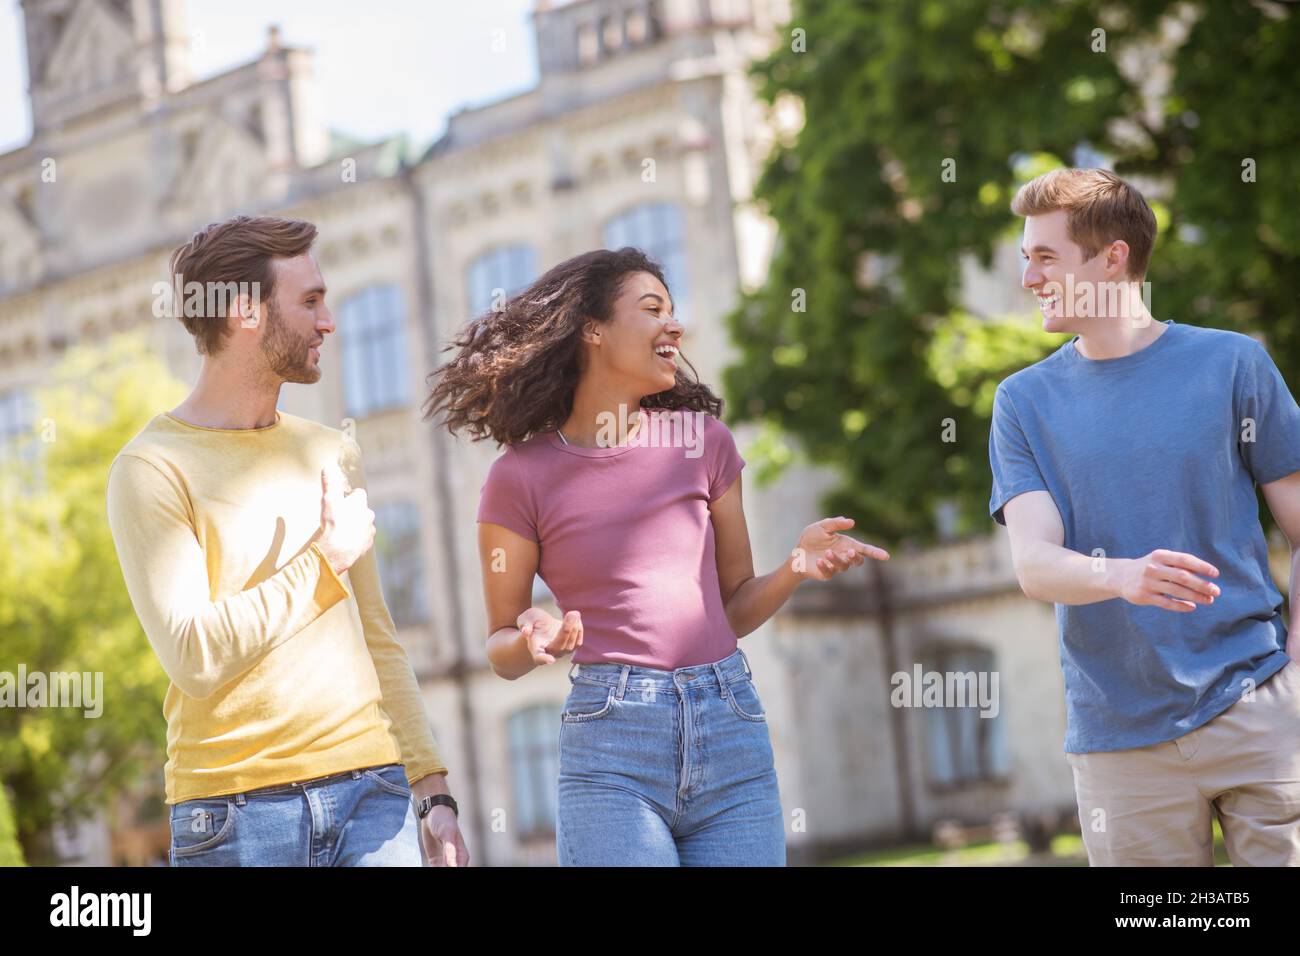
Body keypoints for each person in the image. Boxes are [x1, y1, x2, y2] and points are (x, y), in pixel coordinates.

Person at [424, 246, 889, 866]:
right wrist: (533, 639)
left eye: (673, 311)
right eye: (652, 310)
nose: (675, 325)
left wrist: (795, 568)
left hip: (729, 725)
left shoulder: (704, 444)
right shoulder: (520, 476)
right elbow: (500, 645)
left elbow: (732, 607)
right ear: (592, 330)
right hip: (612, 744)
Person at [106, 215, 468, 866]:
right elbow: (193, 654)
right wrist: (323, 562)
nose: (329, 322)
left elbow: (377, 637)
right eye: (310, 301)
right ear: (245, 312)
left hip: (373, 797)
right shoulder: (152, 468)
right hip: (236, 816)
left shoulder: (331, 452)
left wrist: (433, 792)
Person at [989, 167, 1300, 865]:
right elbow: (1035, 564)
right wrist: (1122, 575)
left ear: (1112, 258)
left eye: (1045, 256)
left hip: (1259, 708)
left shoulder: (1233, 364)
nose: (1028, 276)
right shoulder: (1023, 403)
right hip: (1118, 741)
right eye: (1024, 257)